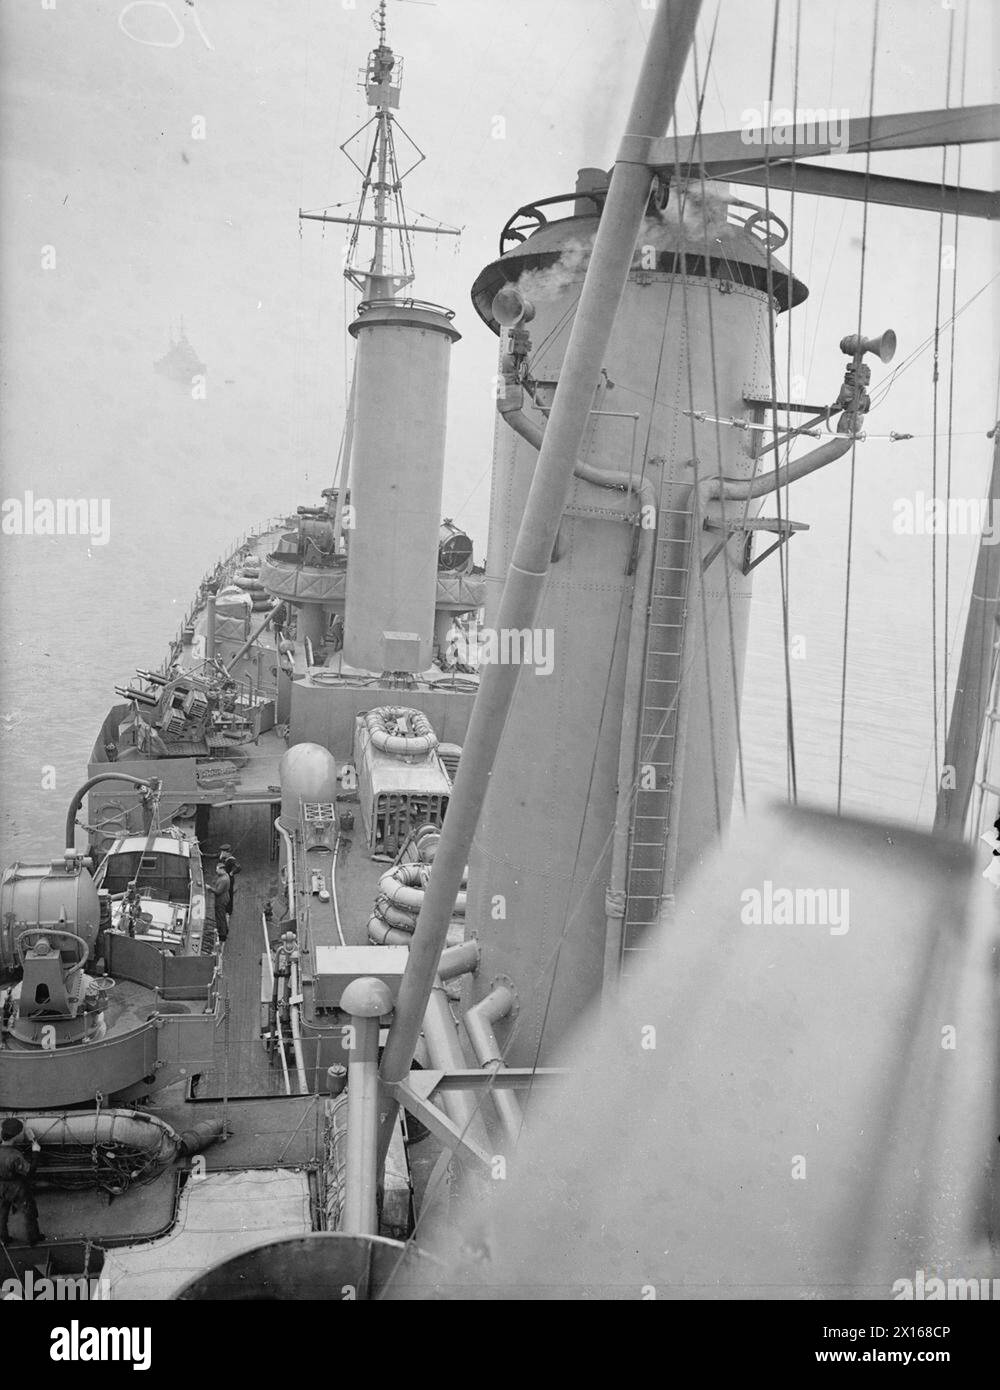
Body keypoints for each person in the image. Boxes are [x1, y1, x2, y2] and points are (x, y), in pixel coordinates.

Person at [0, 1118, 44, 1246]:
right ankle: (33, 1239)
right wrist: (35, 1151)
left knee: (2, 1213)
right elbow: (30, 1171)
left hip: (0, 1186)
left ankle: (4, 1239)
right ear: (15, 1136)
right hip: (16, 1187)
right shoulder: (15, 1155)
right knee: (27, 1212)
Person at [218, 845, 240, 914]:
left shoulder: (231, 860)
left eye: (223, 852)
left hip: (229, 880)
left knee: (229, 894)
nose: (221, 853)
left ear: (227, 852)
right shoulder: (223, 857)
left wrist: (232, 873)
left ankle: (229, 910)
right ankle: (225, 907)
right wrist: (203, 854)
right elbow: (214, 856)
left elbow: (239, 867)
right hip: (223, 878)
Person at [213, 862, 231, 945]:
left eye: (217, 869)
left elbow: (218, 891)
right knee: (222, 916)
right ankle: (224, 930)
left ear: (221, 869)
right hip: (224, 898)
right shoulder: (225, 876)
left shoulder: (224, 879)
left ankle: (222, 935)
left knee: (221, 916)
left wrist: (209, 888)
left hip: (221, 900)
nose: (216, 871)